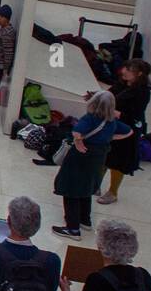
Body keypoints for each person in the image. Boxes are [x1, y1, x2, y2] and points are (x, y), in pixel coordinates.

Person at [50, 91, 133, 238]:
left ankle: (73, 228)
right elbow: (129, 131)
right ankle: (85, 220)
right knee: (86, 187)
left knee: (71, 189)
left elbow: (77, 131)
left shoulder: (90, 118)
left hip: (81, 157)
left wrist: (78, 142)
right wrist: (109, 137)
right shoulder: (112, 122)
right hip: (98, 157)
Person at [99, 59, 151, 206]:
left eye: (128, 70)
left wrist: (120, 114)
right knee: (104, 155)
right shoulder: (121, 84)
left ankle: (112, 192)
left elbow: (136, 114)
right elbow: (109, 95)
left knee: (118, 161)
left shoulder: (142, 91)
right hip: (112, 124)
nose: (124, 71)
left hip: (128, 129)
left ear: (139, 73)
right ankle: (95, 184)